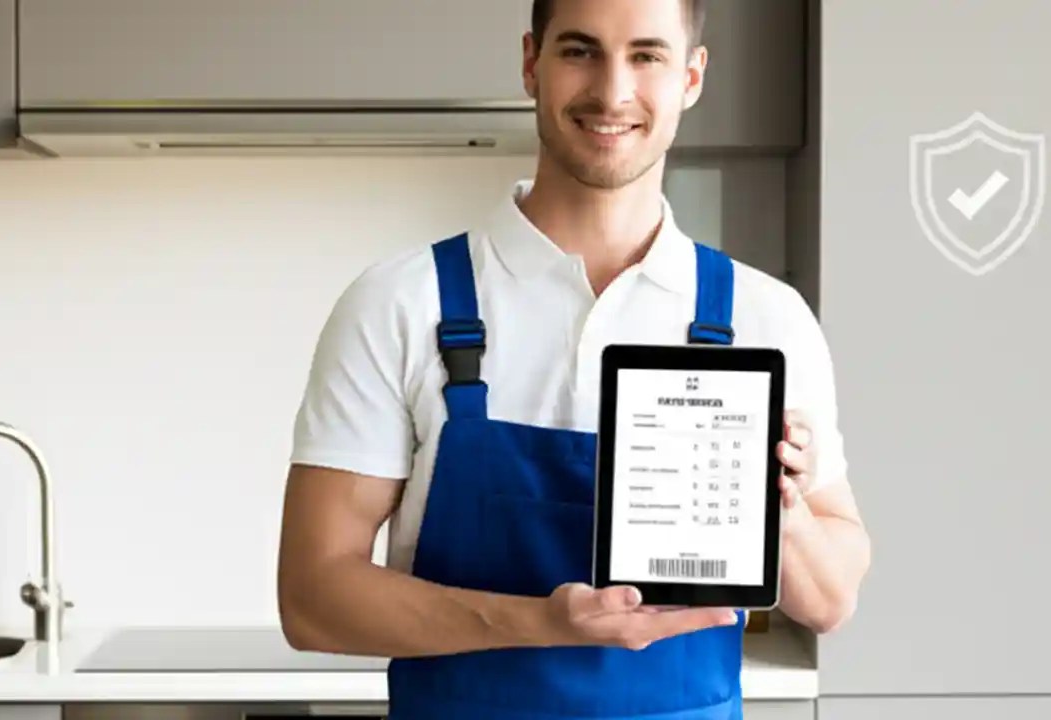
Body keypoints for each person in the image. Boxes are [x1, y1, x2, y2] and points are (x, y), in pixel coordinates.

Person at [276, 0, 871, 717]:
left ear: (691, 76)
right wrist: (540, 626)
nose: (613, 92)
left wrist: (782, 505)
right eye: (581, 51)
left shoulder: (765, 317)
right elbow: (312, 597)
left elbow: (831, 600)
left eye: (646, 55)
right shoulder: (404, 304)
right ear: (532, 62)